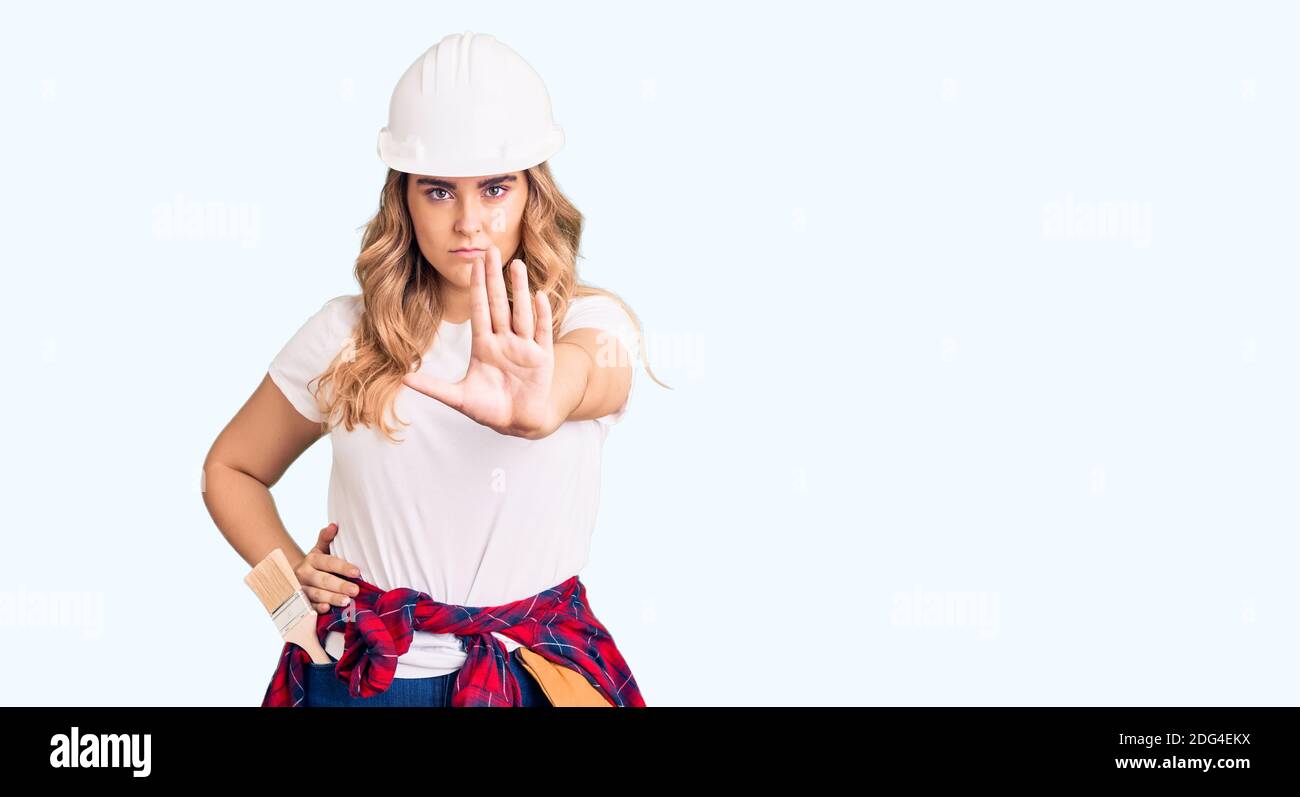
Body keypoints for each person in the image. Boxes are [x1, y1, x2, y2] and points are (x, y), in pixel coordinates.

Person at [202, 31, 664, 707]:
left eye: (496, 188)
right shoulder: (344, 333)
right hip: (360, 679)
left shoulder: (586, 326)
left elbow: (590, 374)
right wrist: (290, 591)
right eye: (440, 191)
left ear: (532, 192)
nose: (470, 222)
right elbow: (229, 470)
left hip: (531, 678)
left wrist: (542, 402)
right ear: (405, 198)